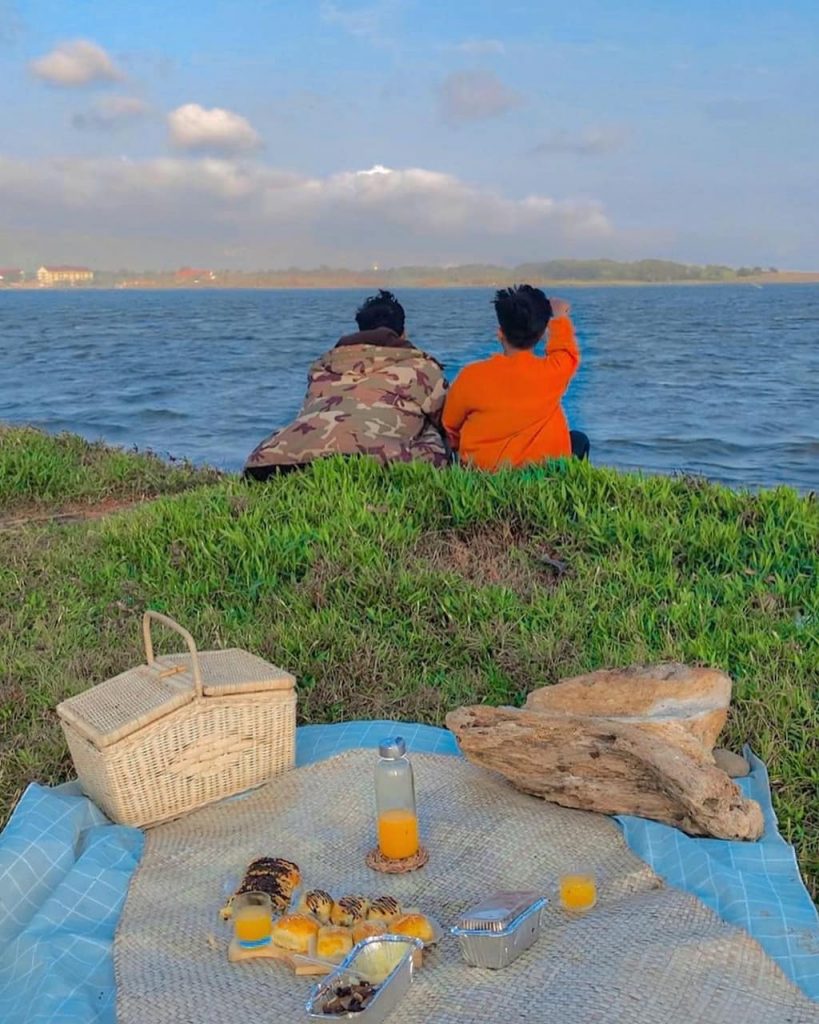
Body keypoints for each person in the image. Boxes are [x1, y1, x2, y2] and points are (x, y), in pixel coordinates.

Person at [244, 290, 448, 479]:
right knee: (431, 429)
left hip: (273, 459)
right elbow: (447, 423)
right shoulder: (422, 366)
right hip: (375, 457)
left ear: (360, 329)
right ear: (403, 333)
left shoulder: (322, 366)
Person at [442, 284, 589, 471]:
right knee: (579, 440)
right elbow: (566, 352)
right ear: (543, 334)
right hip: (542, 472)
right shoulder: (553, 371)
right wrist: (559, 318)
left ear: (500, 333)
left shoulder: (470, 376)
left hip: (482, 472)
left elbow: (450, 426)